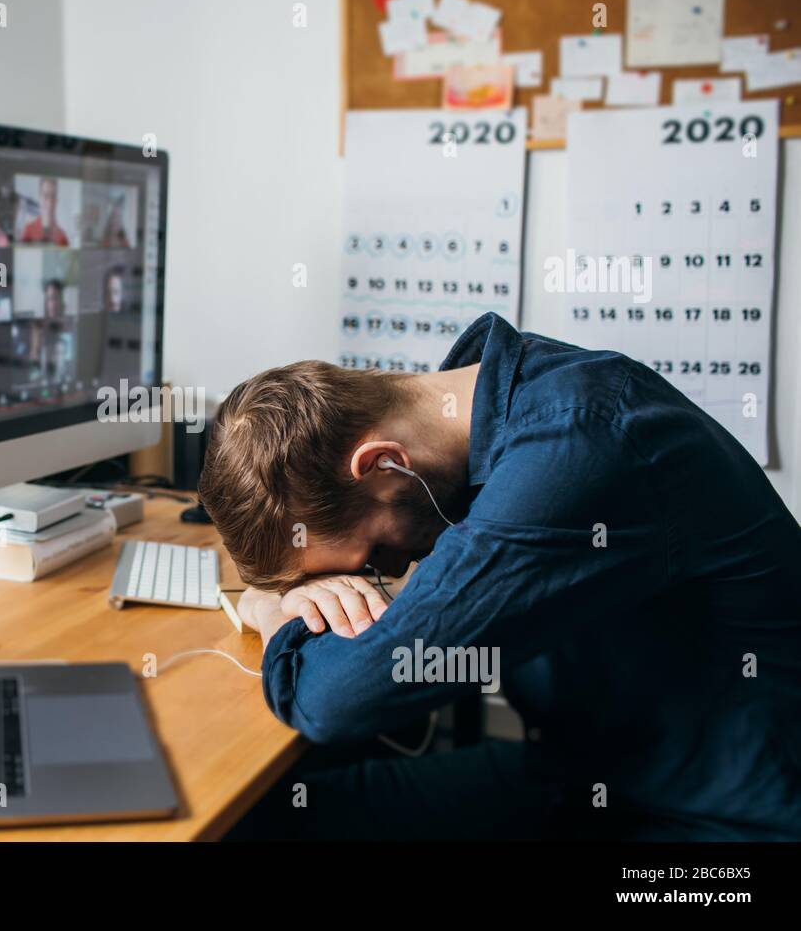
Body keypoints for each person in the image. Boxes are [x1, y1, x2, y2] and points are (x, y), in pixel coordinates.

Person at [198, 312, 801, 840]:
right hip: (592, 775)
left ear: (382, 464)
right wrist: (283, 595)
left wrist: (277, 618)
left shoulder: (574, 452)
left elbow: (337, 701)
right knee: (264, 825)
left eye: (372, 557)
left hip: (721, 826)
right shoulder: (499, 409)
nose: (388, 574)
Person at [19, 176, 70, 246]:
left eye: (53, 196)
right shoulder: (28, 230)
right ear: (39, 199)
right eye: (46, 196)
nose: (49, 202)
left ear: (57, 200)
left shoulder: (62, 236)